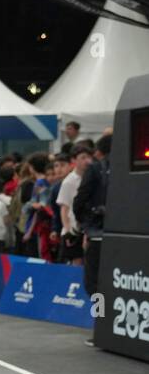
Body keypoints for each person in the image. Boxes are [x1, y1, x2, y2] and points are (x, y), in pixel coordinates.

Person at [74, 133, 111, 345]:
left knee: (94, 284)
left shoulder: (95, 169)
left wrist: (86, 225)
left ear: (98, 151)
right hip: (126, 234)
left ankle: (101, 327)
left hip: (98, 234)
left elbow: (80, 200)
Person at [55, 144, 91, 265]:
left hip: (87, 228)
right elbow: (64, 209)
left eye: (88, 157)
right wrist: (68, 230)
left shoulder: (90, 177)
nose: (87, 160)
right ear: (74, 160)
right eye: (83, 157)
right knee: (76, 263)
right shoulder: (69, 181)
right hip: (74, 230)